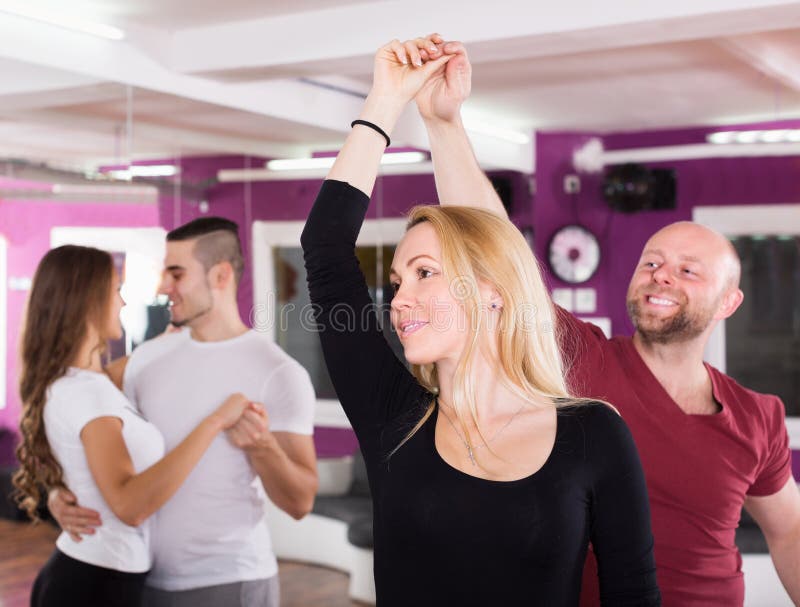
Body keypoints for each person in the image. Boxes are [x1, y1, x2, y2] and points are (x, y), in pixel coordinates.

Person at [414, 37, 800, 606]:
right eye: (652, 262)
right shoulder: (579, 357)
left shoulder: (758, 417)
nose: (662, 276)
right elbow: (495, 247)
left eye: (688, 270)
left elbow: (788, 530)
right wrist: (443, 123)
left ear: (728, 303)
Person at [300, 35, 660, 606]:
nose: (399, 299)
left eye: (424, 273)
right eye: (397, 281)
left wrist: (444, 123)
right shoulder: (393, 416)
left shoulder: (593, 433)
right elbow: (325, 247)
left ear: (491, 293)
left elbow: (632, 595)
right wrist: (385, 99)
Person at [48, 218, 318, 607]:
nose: (162, 287)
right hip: (144, 580)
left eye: (176, 274)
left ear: (220, 276)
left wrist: (262, 447)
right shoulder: (146, 360)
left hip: (230, 581)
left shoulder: (278, 372)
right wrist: (57, 491)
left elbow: (300, 502)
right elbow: (71, 417)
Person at [13, 245, 255, 607]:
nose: (123, 302)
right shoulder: (86, 392)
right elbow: (130, 506)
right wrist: (215, 421)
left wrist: (171, 337)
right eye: (116, 290)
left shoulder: (83, 382)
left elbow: (115, 377)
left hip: (96, 572)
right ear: (88, 301)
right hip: (93, 584)